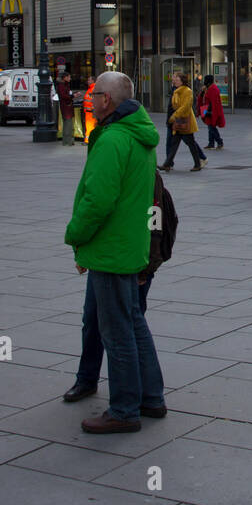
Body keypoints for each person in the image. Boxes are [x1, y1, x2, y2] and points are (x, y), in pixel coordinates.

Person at [65, 72, 166, 433]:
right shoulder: (139, 133)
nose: (89, 101)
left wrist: (74, 235)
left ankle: (124, 410)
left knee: (117, 330)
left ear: (107, 100)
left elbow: (98, 200)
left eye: (94, 95)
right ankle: (151, 397)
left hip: (110, 248)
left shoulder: (112, 140)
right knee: (132, 321)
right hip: (130, 244)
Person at [64, 170, 172, 403]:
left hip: (133, 263)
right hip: (105, 258)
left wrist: (148, 267)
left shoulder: (143, 171)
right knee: (93, 320)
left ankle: (146, 396)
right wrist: (84, 252)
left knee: (130, 324)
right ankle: (87, 378)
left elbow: (155, 220)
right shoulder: (118, 164)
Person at [160, 72, 206, 172]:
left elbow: (185, 107)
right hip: (178, 121)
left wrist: (174, 116)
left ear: (182, 81)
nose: (174, 81)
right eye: (174, 79)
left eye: (177, 79)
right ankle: (167, 164)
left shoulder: (187, 91)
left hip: (185, 121)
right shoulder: (176, 91)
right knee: (175, 144)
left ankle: (198, 163)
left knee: (191, 144)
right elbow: (174, 105)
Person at [199, 74, 226, 149]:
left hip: (210, 110)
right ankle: (211, 143)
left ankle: (219, 142)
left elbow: (213, 102)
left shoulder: (213, 89)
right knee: (209, 125)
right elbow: (201, 97)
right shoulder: (208, 88)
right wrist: (203, 91)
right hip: (207, 109)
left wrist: (208, 111)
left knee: (211, 127)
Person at [56, 72, 76, 146]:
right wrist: (73, 96)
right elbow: (64, 96)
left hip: (67, 107)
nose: (70, 79)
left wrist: (72, 95)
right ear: (65, 78)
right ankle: (67, 141)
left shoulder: (64, 85)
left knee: (68, 124)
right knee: (68, 125)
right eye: (69, 77)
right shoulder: (62, 86)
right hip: (66, 107)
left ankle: (68, 141)